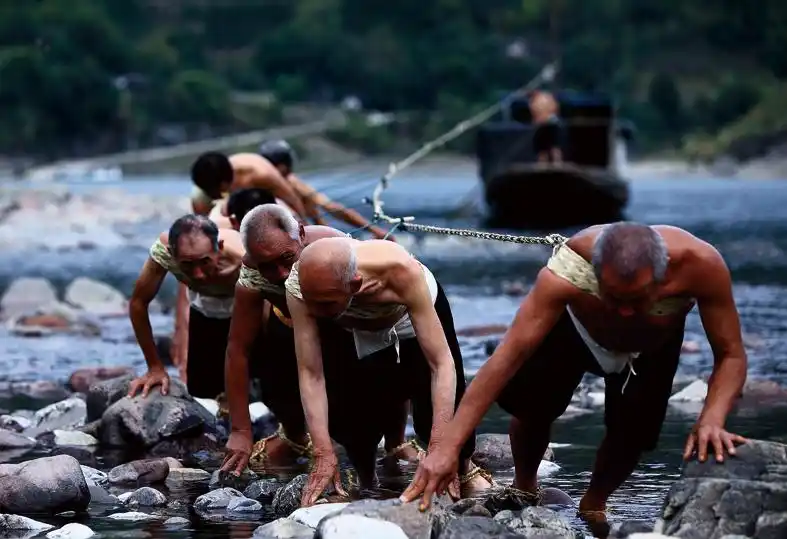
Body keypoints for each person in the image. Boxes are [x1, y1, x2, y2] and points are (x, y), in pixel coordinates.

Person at [400, 222, 748, 526]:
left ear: (664, 273)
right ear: (595, 274)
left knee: (632, 435)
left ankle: (594, 504)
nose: (626, 311)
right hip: (578, 329)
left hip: (652, 346)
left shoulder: (702, 266)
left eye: (639, 299)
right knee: (533, 406)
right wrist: (447, 448)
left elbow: (731, 355)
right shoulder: (569, 269)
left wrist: (712, 419)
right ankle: (525, 486)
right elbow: (505, 359)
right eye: (612, 297)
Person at [285, 236, 494, 506]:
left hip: (409, 312)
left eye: (323, 303)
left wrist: (440, 447)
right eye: (310, 301)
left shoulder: (401, 270)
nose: (313, 311)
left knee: (432, 409)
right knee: (349, 406)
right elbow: (311, 373)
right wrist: (323, 451)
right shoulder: (301, 288)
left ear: (356, 284)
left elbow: (442, 365)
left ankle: (463, 472)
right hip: (350, 319)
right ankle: (368, 483)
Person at [220, 204, 418, 473]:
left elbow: (385, 332)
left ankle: (395, 442)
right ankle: (294, 437)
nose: (279, 273)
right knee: (273, 370)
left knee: (379, 369)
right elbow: (237, 349)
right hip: (289, 322)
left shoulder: (333, 247)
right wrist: (240, 430)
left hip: (348, 323)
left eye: (286, 259)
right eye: (267, 265)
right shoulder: (252, 270)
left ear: (300, 234)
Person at [127, 214, 247, 399]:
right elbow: (137, 303)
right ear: (172, 254)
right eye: (188, 265)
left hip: (252, 308)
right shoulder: (163, 252)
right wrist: (155, 367)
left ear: (219, 249)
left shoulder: (246, 257)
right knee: (202, 394)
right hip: (205, 308)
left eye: (204, 261)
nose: (198, 274)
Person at [258, 139, 391, 239]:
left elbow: (318, 212)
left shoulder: (255, 185)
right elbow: (333, 208)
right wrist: (375, 230)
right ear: (283, 166)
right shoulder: (290, 182)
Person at [189, 151, 309, 227]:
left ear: (224, 185)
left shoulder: (261, 175)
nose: (212, 195)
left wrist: (305, 227)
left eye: (213, 192)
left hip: (265, 196)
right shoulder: (203, 191)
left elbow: (293, 200)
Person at [528, 90, 562, 164]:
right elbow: (556, 109)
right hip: (549, 123)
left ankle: (555, 165)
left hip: (546, 124)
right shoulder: (548, 97)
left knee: (547, 148)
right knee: (550, 148)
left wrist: (543, 118)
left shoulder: (535, 101)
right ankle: (555, 164)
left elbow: (535, 115)